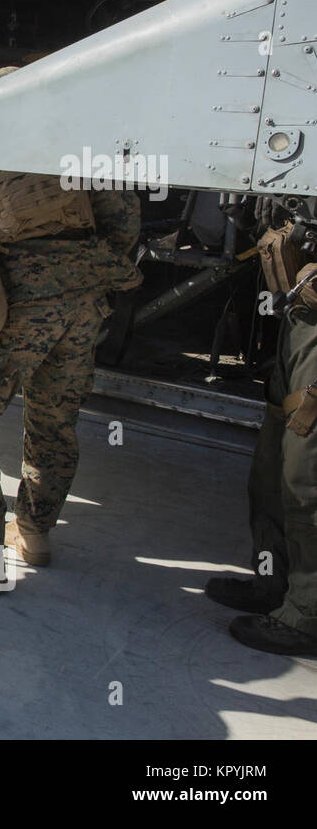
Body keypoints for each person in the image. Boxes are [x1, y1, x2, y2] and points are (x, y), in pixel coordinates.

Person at [0, 67, 142, 592]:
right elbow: (125, 224)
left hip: (4, 312)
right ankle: (36, 534)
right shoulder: (79, 150)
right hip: (81, 309)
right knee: (53, 423)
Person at [206, 203, 317, 655]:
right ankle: (274, 582)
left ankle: (305, 613)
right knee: (273, 462)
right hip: (302, 310)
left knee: (305, 475)